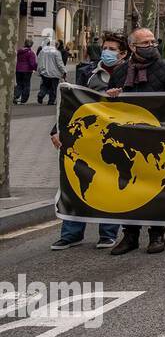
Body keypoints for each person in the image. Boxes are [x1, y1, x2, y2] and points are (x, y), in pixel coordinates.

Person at [103, 28, 165, 255]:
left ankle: (157, 234)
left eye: (153, 42)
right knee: (128, 186)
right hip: (127, 140)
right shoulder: (120, 72)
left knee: (156, 187)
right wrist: (113, 96)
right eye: (145, 43)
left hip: (157, 140)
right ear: (132, 47)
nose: (151, 46)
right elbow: (108, 105)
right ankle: (130, 235)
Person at [47, 32, 131, 251]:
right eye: (105, 47)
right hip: (85, 137)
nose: (107, 52)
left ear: (123, 53)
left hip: (114, 138)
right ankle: (71, 234)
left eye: (112, 49)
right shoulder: (87, 72)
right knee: (76, 180)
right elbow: (71, 104)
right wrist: (57, 130)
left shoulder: (130, 74)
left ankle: (108, 234)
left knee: (110, 183)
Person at [36, 38, 66, 104]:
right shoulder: (57, 52)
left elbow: (38, 60)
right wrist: (64, 71)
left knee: (45, 85)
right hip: (54, 73)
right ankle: (51, 101)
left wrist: (39, 70)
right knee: (53, 87)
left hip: (44, 72)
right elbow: (59, 63)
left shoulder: (42, 51)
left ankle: (41, 94)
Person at [14, 39, 36, 104]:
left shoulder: (19, 51)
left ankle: (16, 96)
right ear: (31, 45)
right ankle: (23, 99)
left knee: (19, 84)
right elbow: (32, 63)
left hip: (18, 69)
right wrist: (35, 68)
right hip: (27, 71)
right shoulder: (31, 53)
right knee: (26, 84)